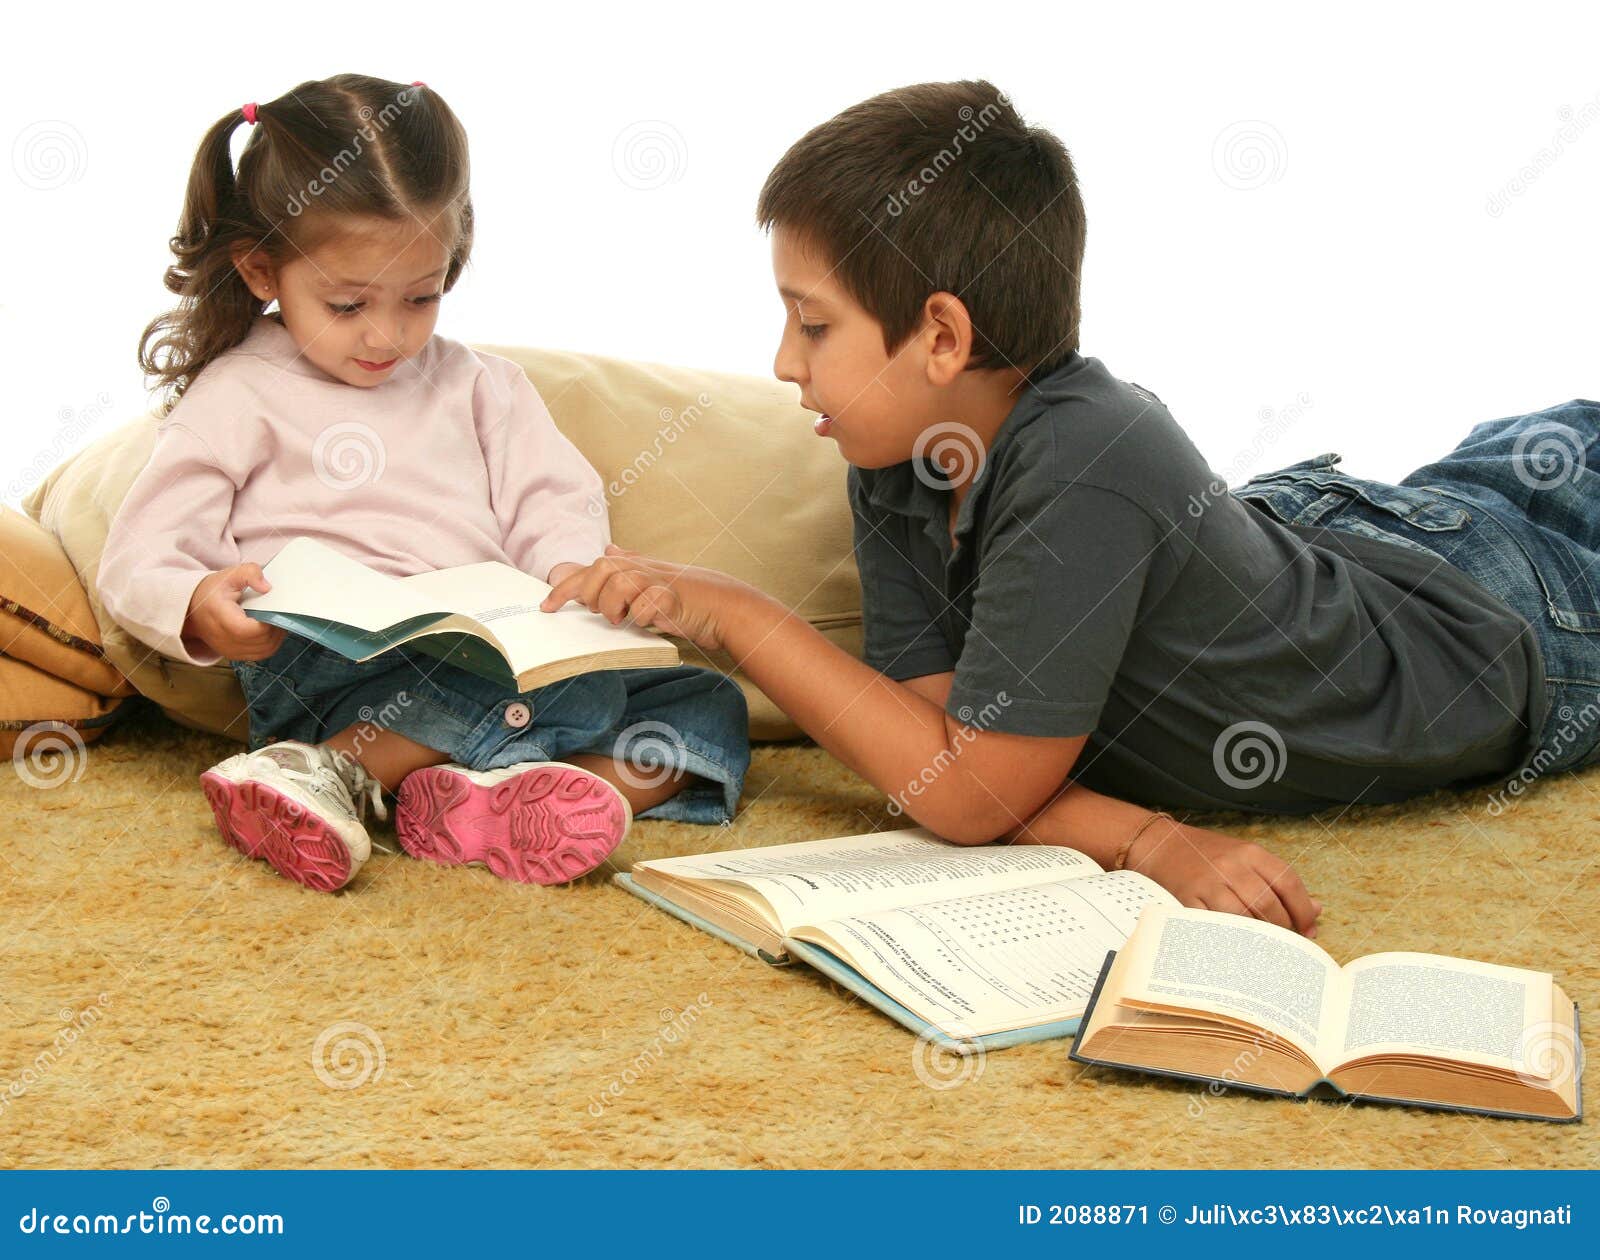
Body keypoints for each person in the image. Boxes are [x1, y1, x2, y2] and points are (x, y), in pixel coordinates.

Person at [543, 79, 1600, 941]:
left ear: (943, 338)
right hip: (1338, 537)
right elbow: (946, 752)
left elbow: (966, 793)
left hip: (1500, 625)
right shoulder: (898, 456)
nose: (783, 364)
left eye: (812, 326)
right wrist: (1143, 837)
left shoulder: (1088, 452)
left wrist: (735, 613)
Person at [98, 75, 749, 893]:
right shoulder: (237, 394)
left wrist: (570, 575)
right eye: (346, 304)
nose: (388, 334)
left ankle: (488, 802)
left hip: (498, 651)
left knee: (701, 699)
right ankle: (318, 769)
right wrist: (199, 605)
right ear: (262, 271)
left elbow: (550, 500)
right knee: (491, 685)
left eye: (421, 297)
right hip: (335, 670)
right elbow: (140, 554)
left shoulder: (484, 386)